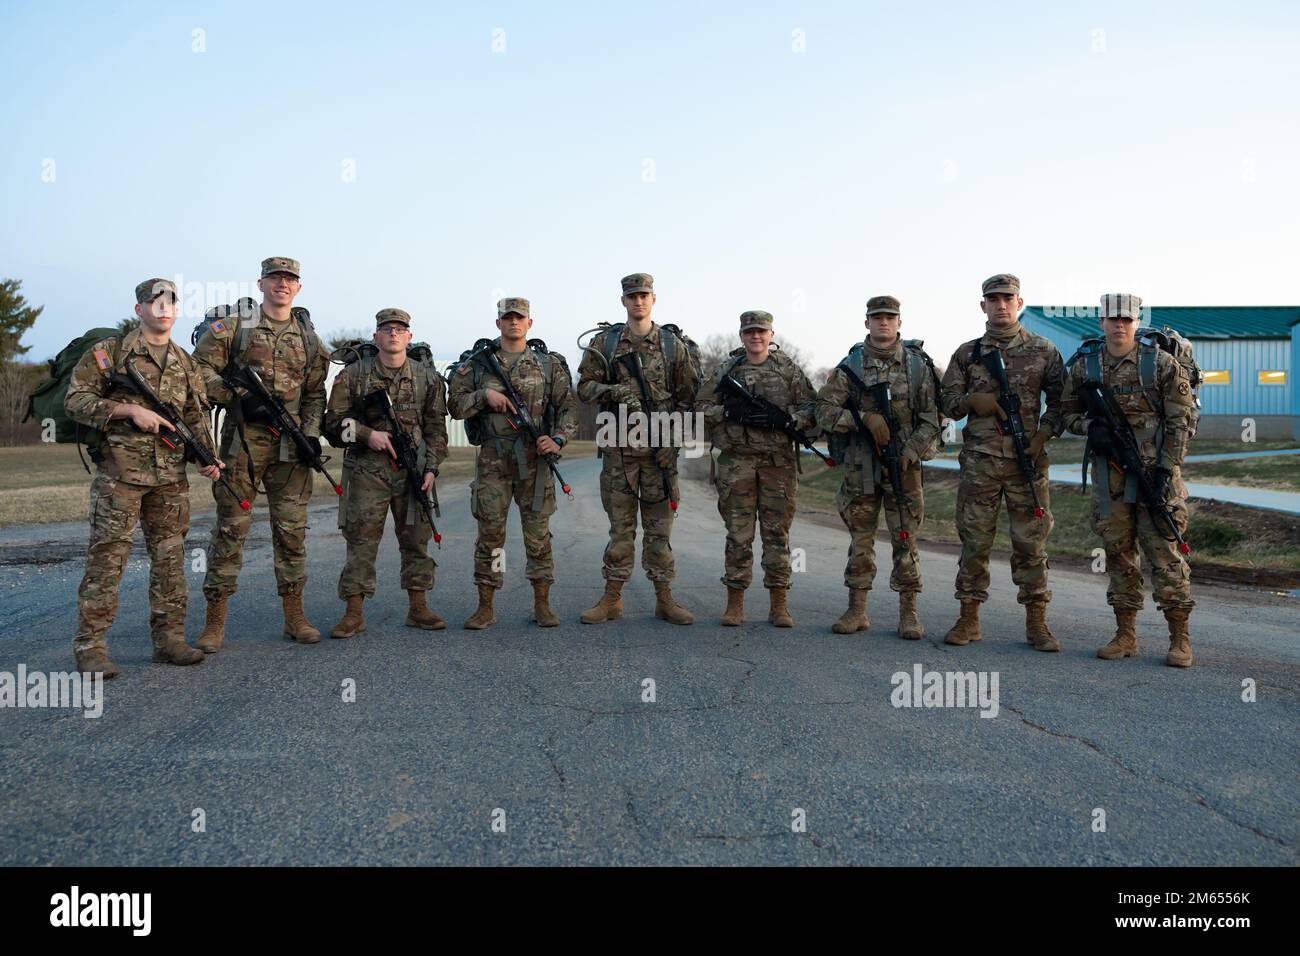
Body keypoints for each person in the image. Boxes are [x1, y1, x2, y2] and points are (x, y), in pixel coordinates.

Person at [65, 278, 224, 677]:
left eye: (171, 301)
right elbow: (76, 401)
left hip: (170, 479)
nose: (164, 308)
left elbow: (193, 417)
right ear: (140, 309)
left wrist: (207, 457)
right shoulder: (110, 353)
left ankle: (169, 641)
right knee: (108, 560)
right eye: (155, 301)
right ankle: (91, 648)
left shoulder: (185, 362)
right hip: (120, 475)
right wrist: (127, 411)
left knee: (170, 561)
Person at [191, 256, 329, 649]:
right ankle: (215, 622)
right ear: (261, 283)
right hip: (243, 444)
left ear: (298, 287)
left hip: (292, 446)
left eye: (289, 279)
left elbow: (316, 392)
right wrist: (237, 397)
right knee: (231, 529)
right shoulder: (235, 327)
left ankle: (294, 617)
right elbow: (198, 371)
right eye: (275, 278)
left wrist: (311, 433)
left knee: (291, 532)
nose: (282, 284)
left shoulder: (308, 337)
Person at [1060, 293, 1196, 667]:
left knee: (1165, 555)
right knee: (1119, 555)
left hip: (1156, 475)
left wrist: (1168, 468)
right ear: (1101, 322)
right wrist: (1090, 427)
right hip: (1111, 476)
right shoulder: (1086, 366)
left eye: (1127, 320)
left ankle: (1180, 638)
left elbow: (1181, 421)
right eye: (1112, 319)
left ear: (1136, 323)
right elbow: (1064, 413)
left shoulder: (1161, 364)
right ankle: (1126, 635)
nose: (1119, 325)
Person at [938, 274, 1065, 651]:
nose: (1001, 305)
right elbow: (947, 402)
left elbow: (1064, 403)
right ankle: (968, 619)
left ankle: (1037, 623)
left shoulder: (1043, 350)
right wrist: (972, 402)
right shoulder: (967, 353)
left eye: (1007, 298)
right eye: (993, 299)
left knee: (1031, 544)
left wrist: (1043, 435)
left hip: (1028, 461)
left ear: (1019, 302)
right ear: (983, 306)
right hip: (981, 462)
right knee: (975, 543)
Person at [575, 273, 700, 625]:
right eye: (632, 296)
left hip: (660, 455)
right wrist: (615, 392)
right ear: (624, 302)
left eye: (644, 295)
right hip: (619, 452)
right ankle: (612, 599)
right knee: (621, 531)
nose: (638, 301)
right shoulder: (607, 343)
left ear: (654, 299)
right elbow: (584, 388)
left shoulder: (674, 346)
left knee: (660, 532)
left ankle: (665, 599)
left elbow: (691, 399)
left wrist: (674, 442)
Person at [447, 298, 577, 629]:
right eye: (507, 318)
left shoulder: (548, 365)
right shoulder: (478, 365)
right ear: (498, 323)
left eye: (520, 318)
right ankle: (486, 606)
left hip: (536, 461)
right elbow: (455, 406)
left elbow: (568, 409)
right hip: (494, 461)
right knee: (491, 535)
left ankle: (542, 604)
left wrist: (558, 438)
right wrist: (483, 397)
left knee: (539, 536)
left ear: (530, 324)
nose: (514, 323)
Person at [815, 296, 941, 637]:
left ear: (900, 322)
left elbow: (932, 419)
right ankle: (857, 610)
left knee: (905, 537)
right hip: (861, 467)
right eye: (877, 317)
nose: (883, 323)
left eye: (890, 317)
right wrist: (862, 420)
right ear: (867, 322)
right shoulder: (851, 366)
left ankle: (909, 613)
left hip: (904, 467)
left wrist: (910, 451)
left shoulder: (917, 366)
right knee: (861, 538)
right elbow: (823, 410)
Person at [324, 309, 449, 637]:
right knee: (362, 540)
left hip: (413, 471)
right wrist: (368, 435)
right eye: (386, 329)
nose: (393, 334)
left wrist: (432, 468)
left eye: (400, 330)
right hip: (368, 471)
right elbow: (333, 425)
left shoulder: (428, 378)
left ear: (409, 336)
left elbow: (437, 428)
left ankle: (418, 608)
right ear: (376, 336)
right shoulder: (354, 375)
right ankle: (354, 613)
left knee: (416, 540)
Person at [694, 311, 817, 626]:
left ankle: (779, 604)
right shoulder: (728, 368)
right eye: (749, 332)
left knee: (777, 534)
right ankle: (735, 603)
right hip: (737, 462)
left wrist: (788, 419)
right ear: (741, 336)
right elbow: (699, 408)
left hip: (778, 465)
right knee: (738, 535)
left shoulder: (787, 369)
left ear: (771, 334)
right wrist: (730, 412)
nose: (756, 337)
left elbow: (812, 408)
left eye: (761, 331)